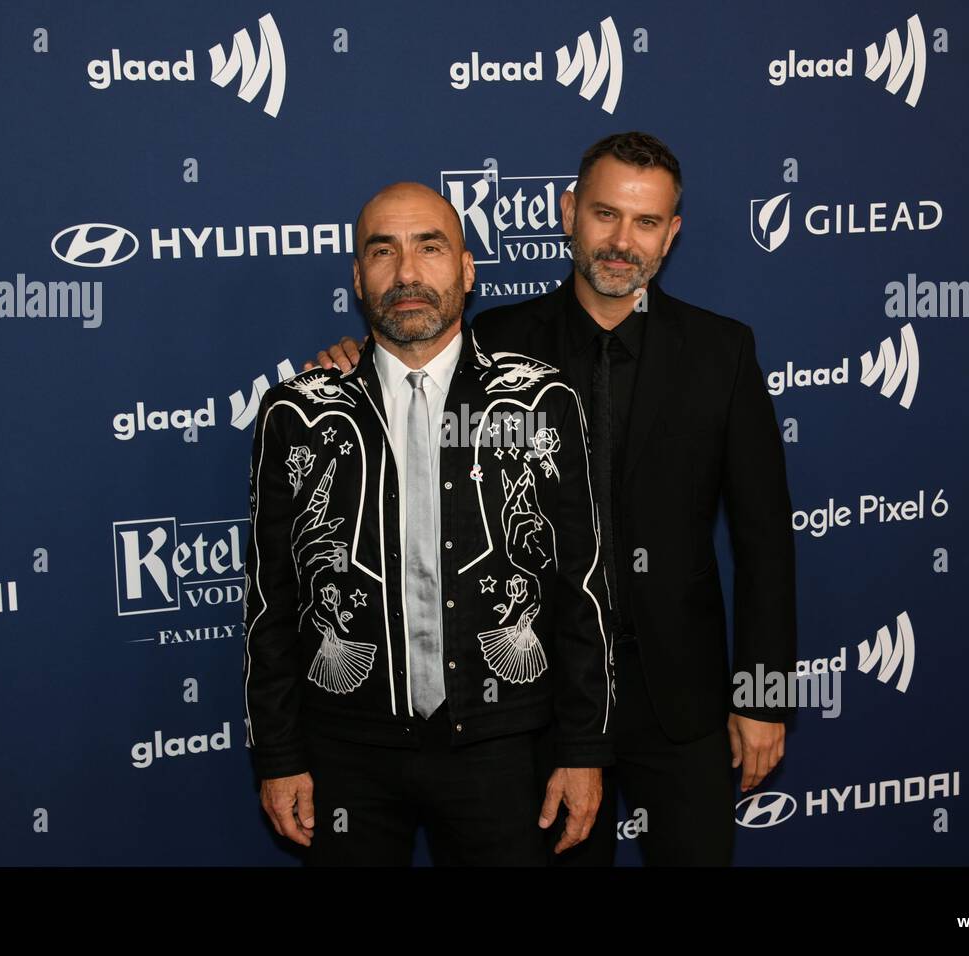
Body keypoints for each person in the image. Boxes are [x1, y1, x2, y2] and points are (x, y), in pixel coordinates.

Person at [309, 133, 797, 866]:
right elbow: (403, 368)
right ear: (569, 213)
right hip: (536, 696)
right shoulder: (494, 339)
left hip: (678, 693)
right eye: (605, 214)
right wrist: (349, 365)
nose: (622, 241)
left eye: (646, 222)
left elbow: (765, 541)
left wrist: (763, 695)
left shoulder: (721, 351)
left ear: (671, 233)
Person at [244, 182, 614, 866]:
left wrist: (584, 748)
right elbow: (271, 600)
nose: (407, 273)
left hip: (504, 748)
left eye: (430, 248)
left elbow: (582, 588)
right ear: (358, 278)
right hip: (345, 751)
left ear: (467, 271)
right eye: (382, 251)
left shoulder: (540, 400)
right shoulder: (297, 412)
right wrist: (278, 752)